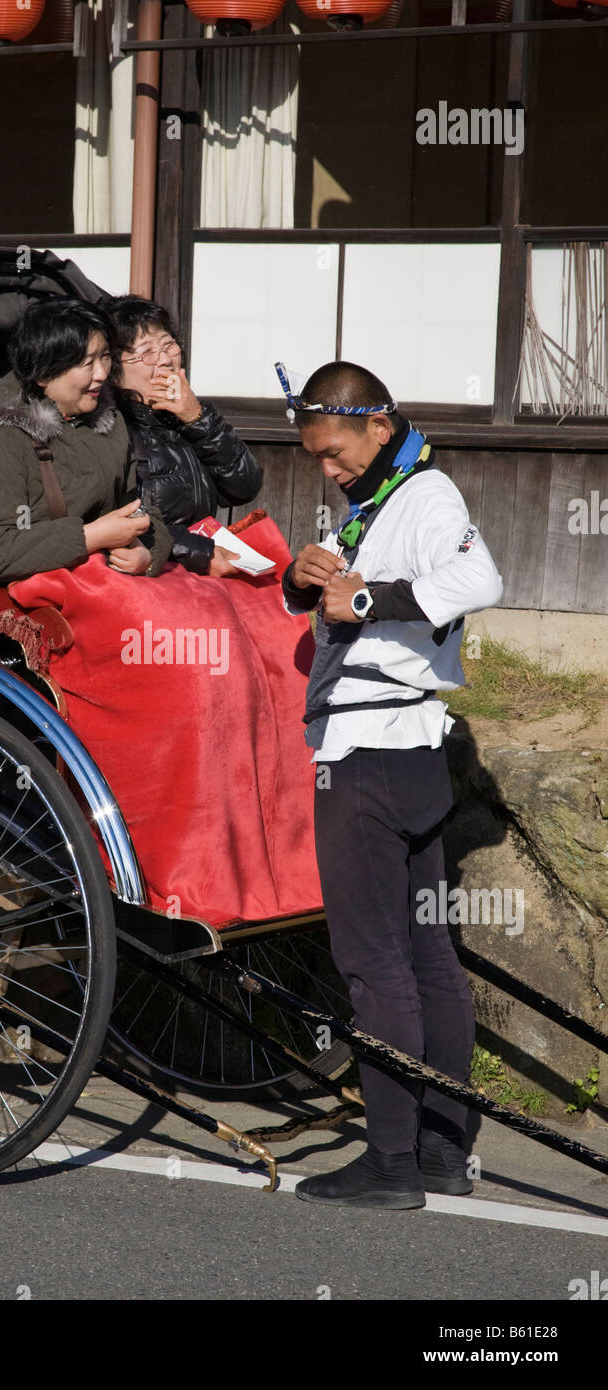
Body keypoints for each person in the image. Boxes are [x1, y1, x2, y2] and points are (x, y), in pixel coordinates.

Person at [277, 359, 503, 1211]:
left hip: (370, 746)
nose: (327, 469)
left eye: (334, 452)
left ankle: (392, 1164)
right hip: (406, 748)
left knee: (376, 964)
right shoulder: (380, 493)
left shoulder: (426, 492)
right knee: (428, 957)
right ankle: (443, 1153)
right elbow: (344, 582)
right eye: (318, 458)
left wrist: (366, 600)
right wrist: (309, 574)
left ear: (377, 424)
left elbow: (480, 581)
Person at [0, 298, 172, 582]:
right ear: (44, 372)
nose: (101, 374)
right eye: (88, 363)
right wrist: (92, 536)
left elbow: (142, 508)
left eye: (106, 356)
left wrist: (147, 555)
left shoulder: (109, 419)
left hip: (106, 583)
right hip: (34, 600)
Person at [108, 295, 263, 577]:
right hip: (147, 580)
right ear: (114, 370)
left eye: (168, 345)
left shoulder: (187, 416)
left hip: (197, 575)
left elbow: (245, 486)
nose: (165, 359)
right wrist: (200, 553)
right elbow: (114, 521)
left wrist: (197, 418)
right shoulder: (111, 427)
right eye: (148, 353)